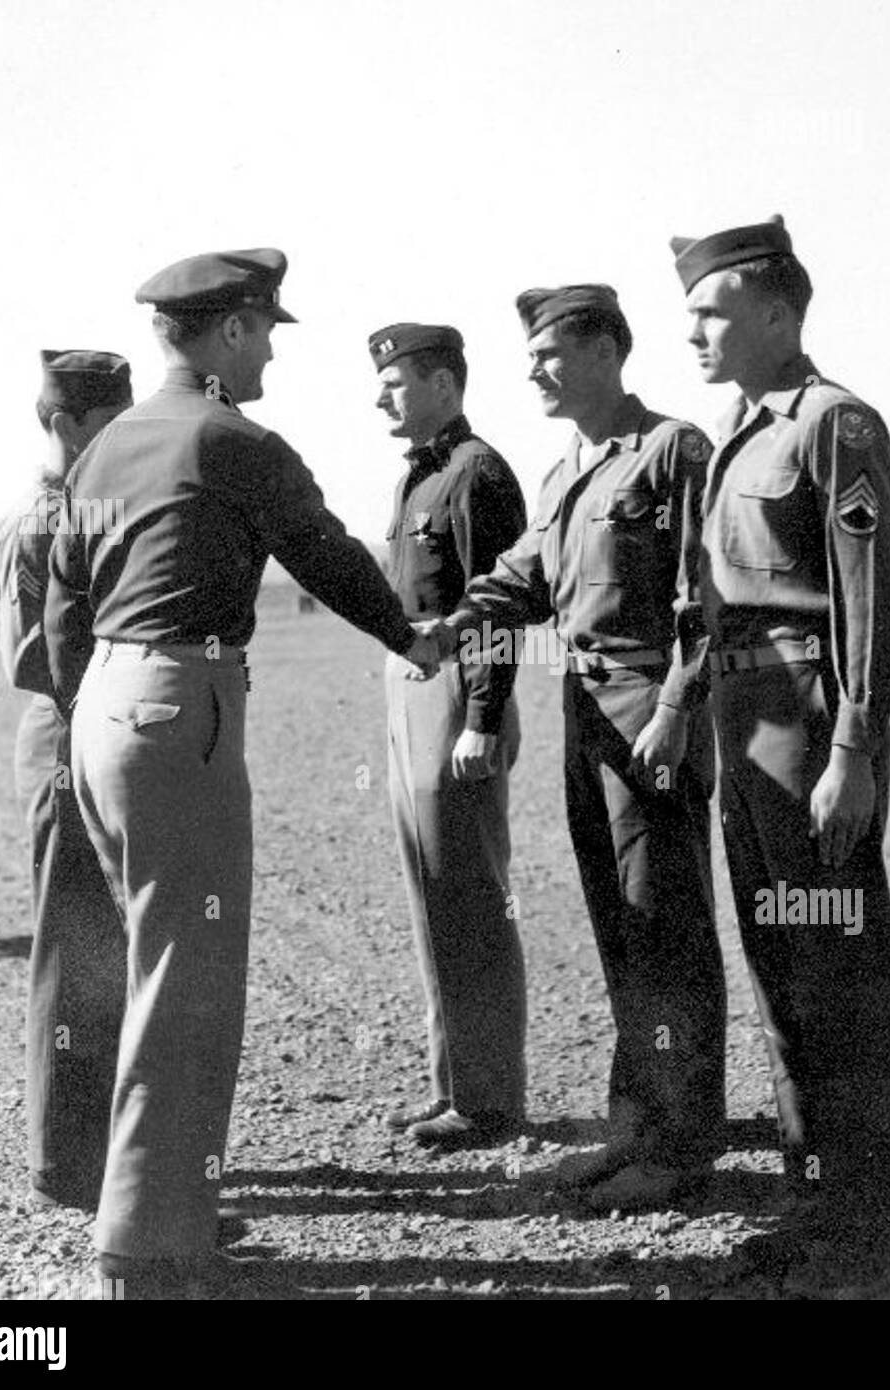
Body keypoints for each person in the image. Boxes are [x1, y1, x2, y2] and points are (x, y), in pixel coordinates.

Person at [44, 248, 440, 1297]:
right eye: (264, 330)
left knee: (149, 970)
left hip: (103, 711)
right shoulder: (234, 439)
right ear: (225, 333)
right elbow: (326, 553)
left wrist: (103, 701)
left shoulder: (107, 446)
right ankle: (150, 1251)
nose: (268, 349)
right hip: (182, 708)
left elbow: (63, 601)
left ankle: (156, 1216)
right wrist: (413, 637)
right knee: (191, 984)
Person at [424, 284, 726, 1211]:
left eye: (551, 351)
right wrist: (448, 623)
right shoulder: (566, 472)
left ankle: (680, 1147)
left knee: (664, 922)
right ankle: (634, 1124)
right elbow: (520, 578)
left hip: (648, 708)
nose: (534, 370)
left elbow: (709, 598)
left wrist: (677, 711)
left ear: (606, 352)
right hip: (584, 712)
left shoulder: (673, 450)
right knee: (620, 925)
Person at [671, 215, 890, 1297]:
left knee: (838, 977)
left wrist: (857, 745)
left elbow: (870, 592)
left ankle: (874, 1232)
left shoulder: (835, 425)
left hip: (811, 728)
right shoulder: (734, 432)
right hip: (744, 734)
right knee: (782, 974)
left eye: (710, 310)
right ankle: (815, 1198)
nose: (690, 330)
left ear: (776, 312)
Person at [369, 322, 528, 1148]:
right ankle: (454, 1084)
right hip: (411, 682)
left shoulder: (477, 475)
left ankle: (491, 1098)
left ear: (442, 383)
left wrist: (483, 718)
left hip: (458, 689)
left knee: (470, 893)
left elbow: (497, 610)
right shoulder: (419, 478)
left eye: (394, 384)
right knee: (434, 894)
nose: (381, 399)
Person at [0, 350, 132, 1211]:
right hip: (61, 732)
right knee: (72, 950)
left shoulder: (83, 505)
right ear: (64, 423)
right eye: (106, 425)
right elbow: (32, 659)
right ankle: (70, 1166)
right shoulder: (41, 519)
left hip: (90, 731)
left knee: (101, 949)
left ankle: (95, 1149)